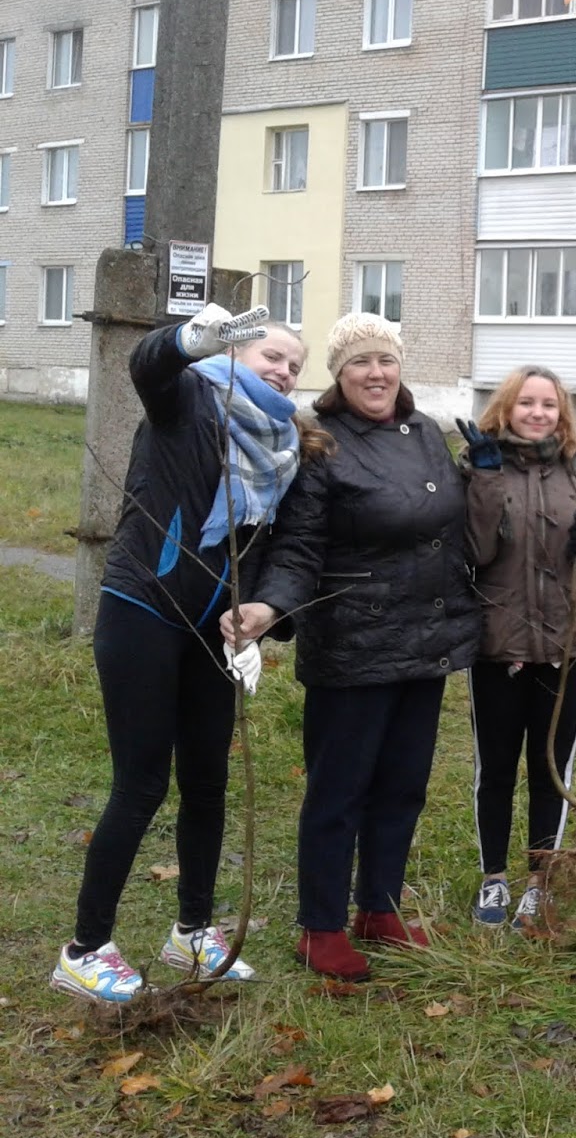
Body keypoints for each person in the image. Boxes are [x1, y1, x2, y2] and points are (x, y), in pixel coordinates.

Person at [52, 306, 308, 1003]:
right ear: (236, 353)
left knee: (206, 782)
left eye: (295, 365)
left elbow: (272, 545)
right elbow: (148, 367)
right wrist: (185, 341)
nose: (284, 371)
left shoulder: (284, 444)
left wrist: (261, 612)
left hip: (213, 631)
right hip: (143, 608)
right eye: (272, 356)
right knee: (141, 785)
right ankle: (85, 949)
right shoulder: (191, 396)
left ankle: (192, 930)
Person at [225, 313, 479, 982]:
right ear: (339, 375)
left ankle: (379, 909)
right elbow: (299, 543)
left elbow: (454, 526)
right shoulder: (321, 442)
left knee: (403, 785)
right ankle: (321, 927)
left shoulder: (426, 432)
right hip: (353, 643)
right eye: (360, 362)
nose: (376, 373)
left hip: (425, 638)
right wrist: (270, 605)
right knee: (339, 793)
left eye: (385, 360)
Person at [456, 367, 576, 930]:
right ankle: (494, 878)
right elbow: (474, 552)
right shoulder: (479, 466)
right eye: (526, 403)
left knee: (549, 767)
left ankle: (539, 881)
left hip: (567, 642)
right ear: (506, 407)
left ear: (562, 412)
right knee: (496, 767)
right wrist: (485, 480)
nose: (537, 413)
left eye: (548, 405)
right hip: (498, 644)